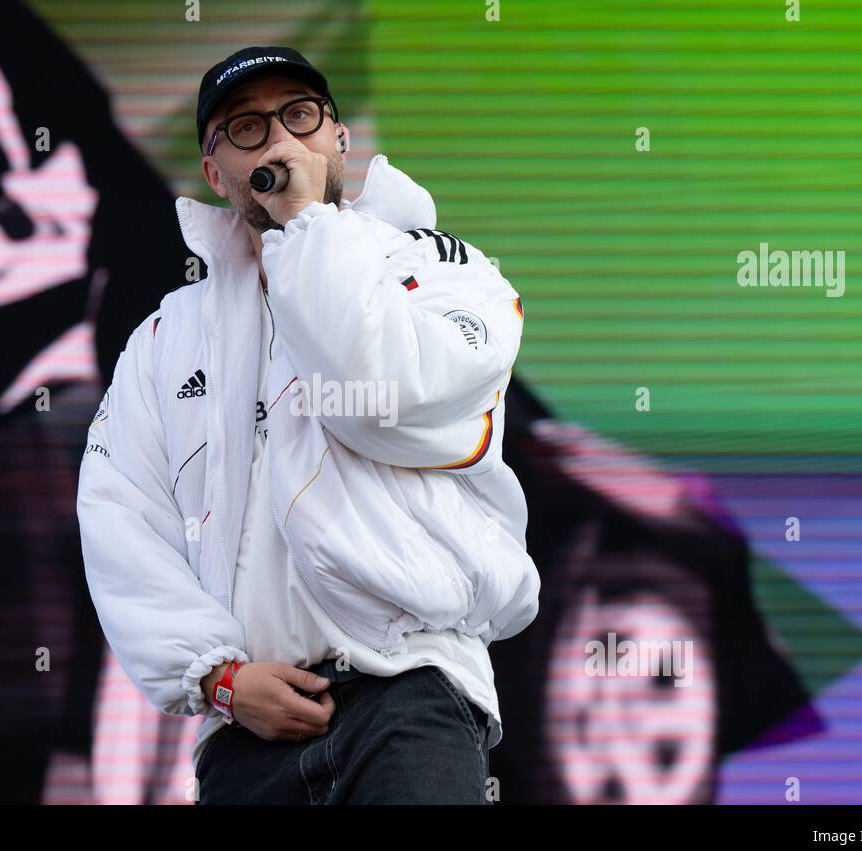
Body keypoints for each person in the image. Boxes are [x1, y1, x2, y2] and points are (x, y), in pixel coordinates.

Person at [77, 46, 540, 804]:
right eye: (248, 128)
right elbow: (118, 515)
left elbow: (374, 390)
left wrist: (307, 227)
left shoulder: (444, 273)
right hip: (248, 733)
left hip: (413, 691)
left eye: (300, 116)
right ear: (215, 171)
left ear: (339, 139)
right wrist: (219, 679)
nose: (281, 143)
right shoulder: (164, 339)